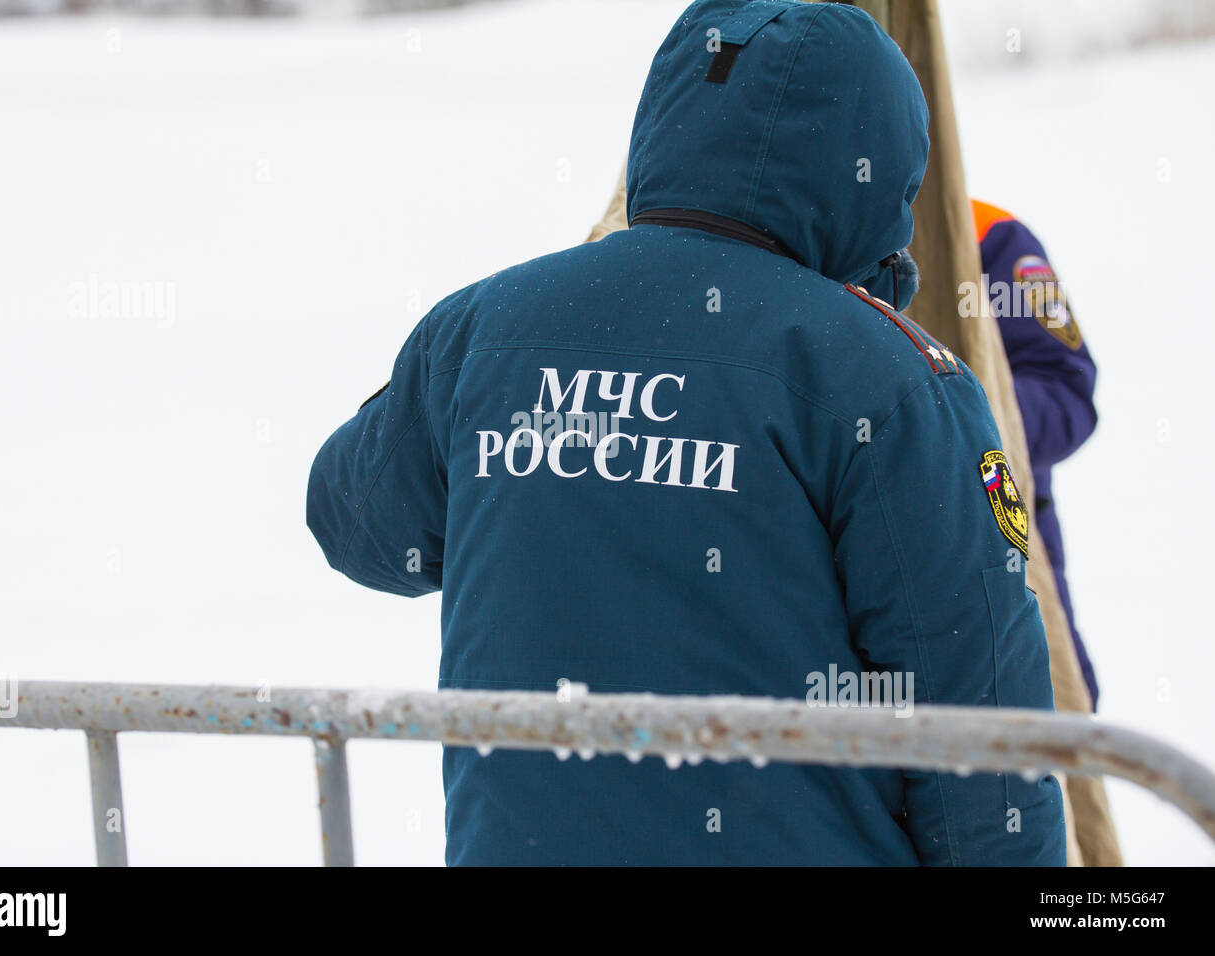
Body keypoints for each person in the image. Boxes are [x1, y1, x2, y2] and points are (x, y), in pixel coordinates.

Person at [307, 0, 1066, 865]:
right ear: (884, 166)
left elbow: (353, 522)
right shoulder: (891, 381)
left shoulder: (486, 325)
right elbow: (986, 750)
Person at [972, 198, 1100, 709]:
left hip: (1004, 533)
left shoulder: (986, 233)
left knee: (1052, 713)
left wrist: (957, 412)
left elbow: (1067, 391)